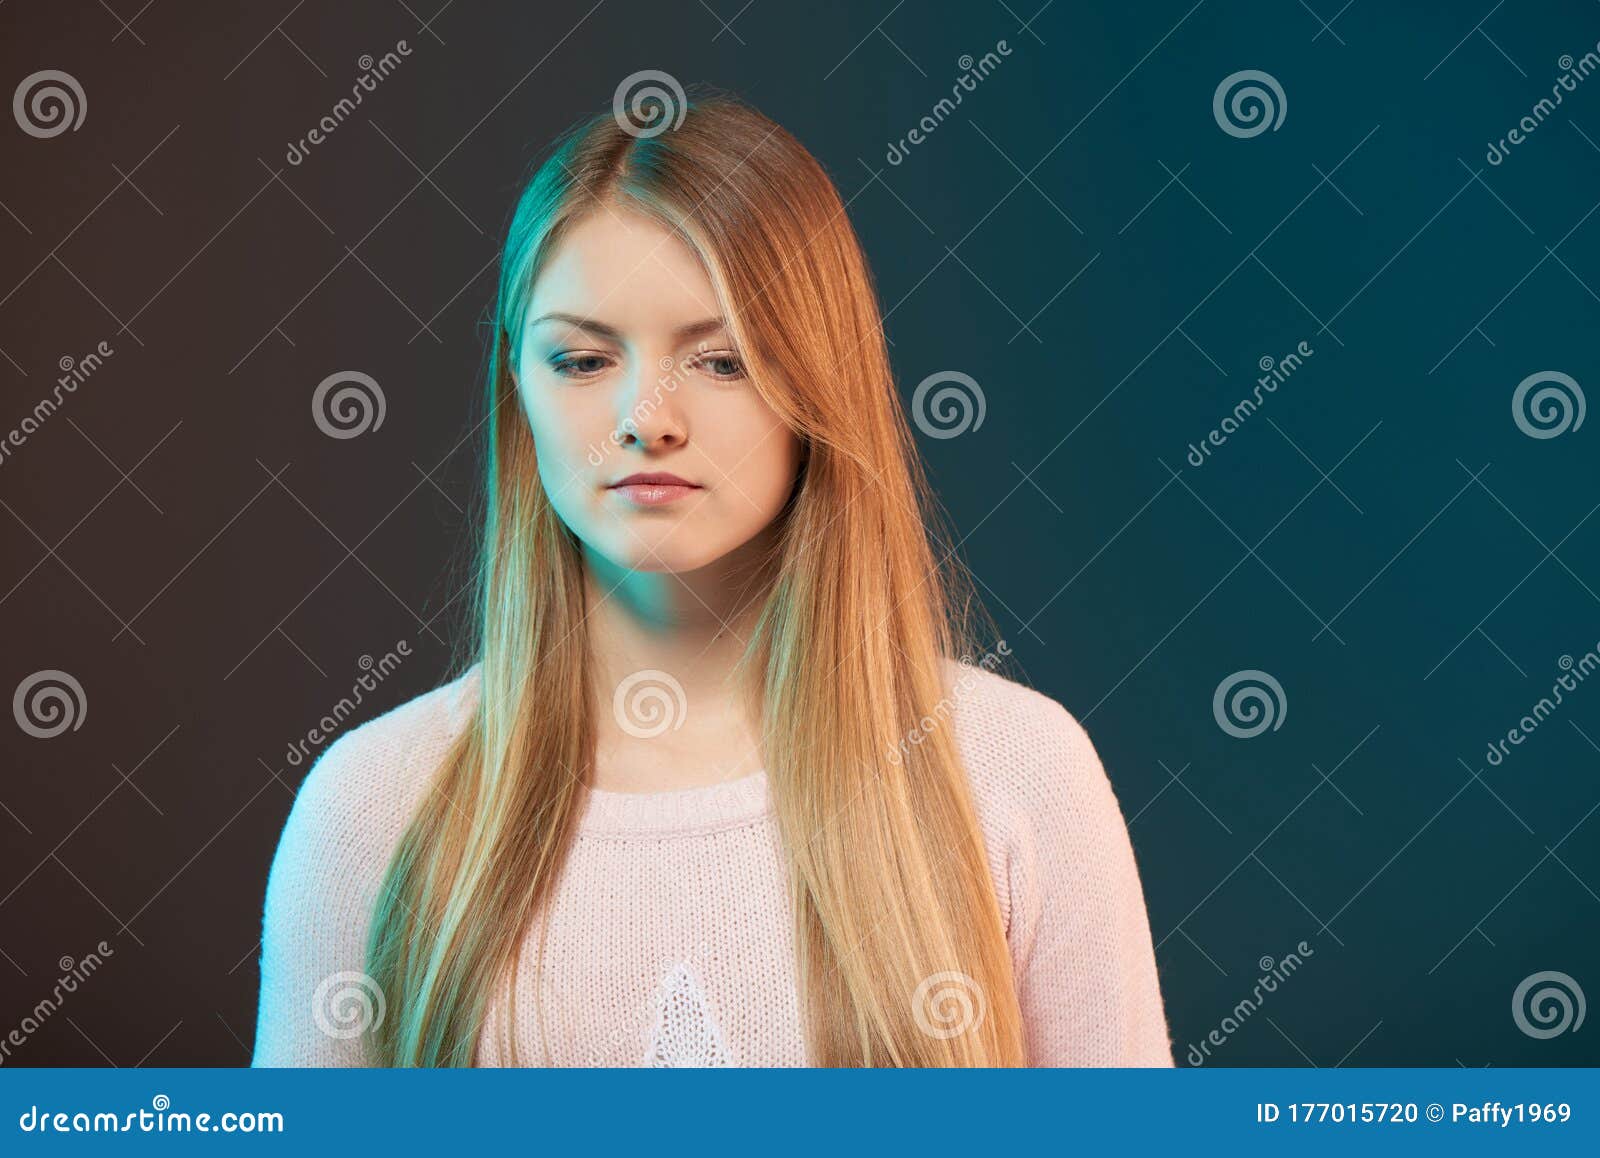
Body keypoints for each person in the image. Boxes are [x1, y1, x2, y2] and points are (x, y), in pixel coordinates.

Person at [251, 92, 1173, 1068]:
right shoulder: (373, 806)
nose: (647, 418)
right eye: (583, 359)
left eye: (723, 361)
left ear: (819, 382)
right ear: (516, 385)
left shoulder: (1017, 776)